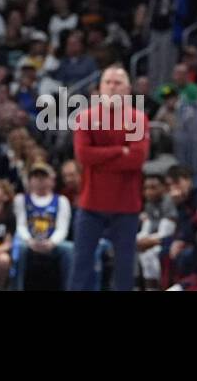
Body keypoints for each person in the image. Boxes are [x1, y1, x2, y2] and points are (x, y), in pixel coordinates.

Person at [68, 65, 149, 291]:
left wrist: (101, 156)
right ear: (100, 87)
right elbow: (83, 156)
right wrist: (118, 151)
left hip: (126, 206)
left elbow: (136, 158)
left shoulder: (138, 118)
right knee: (80, 266)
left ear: (128, 89)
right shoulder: (85, 117)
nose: (112, 87)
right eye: (108, 82)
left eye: (118, 83)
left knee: (124, 270)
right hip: (91, 204)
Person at [13, 162, 73, 290]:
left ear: (52, 181)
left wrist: (52, 242)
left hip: (52, 243)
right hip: (29, 242)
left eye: (43, 177)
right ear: (30, 181)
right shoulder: (21, 199)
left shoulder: (61, 200)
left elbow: (62, 228)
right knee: (19, 248)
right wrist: (30, 241)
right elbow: (20, 225)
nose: (40, 181)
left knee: (69, 249)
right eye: (36, 177)